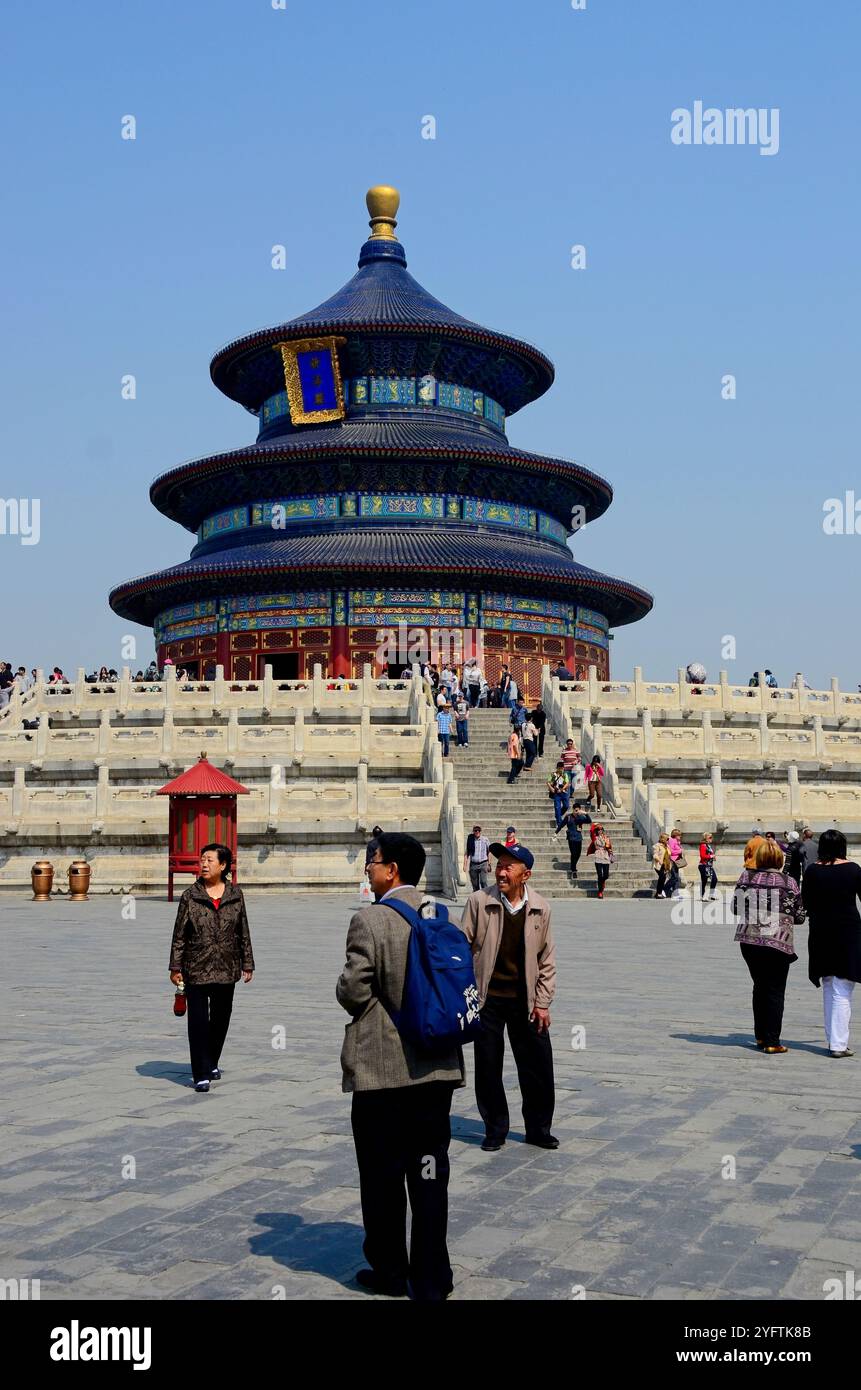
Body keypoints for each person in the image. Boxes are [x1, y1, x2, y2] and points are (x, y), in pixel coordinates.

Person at [336, 832, 464, 1300]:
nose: (368, 869)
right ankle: (433, 1278)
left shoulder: (369, 920)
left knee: (383, 1177)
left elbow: (352, 991)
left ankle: (391, 1271)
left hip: (382, 1072)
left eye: (373, 862)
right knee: (430, 1175)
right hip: (436, 1070)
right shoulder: (439, 915)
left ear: (392, 870)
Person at [459, 842, 557, 1152]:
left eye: (508, 866)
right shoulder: (479, 902)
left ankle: (538, 1129)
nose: (501, 871)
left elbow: (547, 959)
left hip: (524, 998)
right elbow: (463, 947)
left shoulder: (540, 907)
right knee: (488, 1066)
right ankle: (495, 1128)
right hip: (488, 998)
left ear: (525, 875)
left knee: (538, 1066)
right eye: (499, 865)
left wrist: (542, 1003)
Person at [168, 844, 254, 1092]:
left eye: (210, 860)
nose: (204, 864)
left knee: (220, 1019)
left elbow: (243, 932)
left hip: (227, 966)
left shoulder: (235, 895)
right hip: (196, 966)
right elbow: (179, 935)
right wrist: (175, 966)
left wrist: (247, 962)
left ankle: (211, 1059)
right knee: (198, 1021)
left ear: (223, 865)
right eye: (202, 860)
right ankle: (200, 1073)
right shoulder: (190, 896)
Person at [732, 839, 803, 1053]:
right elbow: (799, 916)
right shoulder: (789, 882)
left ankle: (761, 1037)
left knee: (759, 986)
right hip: (778, 942)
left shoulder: (746, 877)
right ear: (780, 859)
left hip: (750, 940)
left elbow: (736, 908)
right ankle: (772, 1041)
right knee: (775, 990)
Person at [802, 829, 861, 1059]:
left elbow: (806, 901)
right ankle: (838, 1043)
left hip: (820, 928)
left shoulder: (813, 870)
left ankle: (833, 1039)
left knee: (828, 983)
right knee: (843, 986)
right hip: (847, 928)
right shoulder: (853, 869)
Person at [557, 802, 592, 881]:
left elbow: (589, 820)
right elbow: (561, 824)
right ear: (573, 809)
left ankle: (573, 866)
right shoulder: (568, 817)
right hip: (571, 838)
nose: (576, 811)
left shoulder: (581, 817)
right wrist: (556, 832)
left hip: (579, 838)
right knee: (573, 853)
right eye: (575, 810)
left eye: (577, 810)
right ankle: (574, 870)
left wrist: (585, 813)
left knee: (578, 854)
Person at [463, 824, 492, 892]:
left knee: (483, 882)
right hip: (473, 864)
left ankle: (485, 897)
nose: (477, 832)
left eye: (478, 830)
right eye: (475, 830)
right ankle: (477, 898)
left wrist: (489, 864)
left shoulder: (485, 840)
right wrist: (465, 865)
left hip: (483, 863)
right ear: (473, 831)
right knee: (475, 885)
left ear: (481, 831)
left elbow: (489, 852)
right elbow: (466, 853)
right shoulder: (470, 840)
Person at [588, 824, 613, 898]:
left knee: (606, 875)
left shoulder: (606, 838)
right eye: (598, 830)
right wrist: (594, 825)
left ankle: (602, 882)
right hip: (598, 856)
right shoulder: (594, 838)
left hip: (605, 856)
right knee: (599, 875)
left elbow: (610, 847)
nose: (600, 831)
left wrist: (611, 854)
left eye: (601, 830)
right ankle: (600, 892)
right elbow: (591, 831)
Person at [547, 762, 570, 831]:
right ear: (557, 768)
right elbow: (548, 782)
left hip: (564, 793)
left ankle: (558, 815)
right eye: (560, 768)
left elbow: (567, 783)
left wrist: (562, 789)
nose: (561, 770)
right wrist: (551, 788)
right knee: (557, 807)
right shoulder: (553, 775)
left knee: (566, 806)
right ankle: (559, 823)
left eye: (562, 768)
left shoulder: (564, 774)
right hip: (556, 793)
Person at [653, 832, 672, 898]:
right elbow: (655, 855)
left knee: (663, 878)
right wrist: (659, 860)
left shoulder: (667, 846)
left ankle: (658, 893)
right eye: (667, 839)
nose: (668, 840)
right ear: (663, 839)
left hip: (666, 865)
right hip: (659, 865)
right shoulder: (657, 845)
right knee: (662, 877)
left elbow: (669, 854)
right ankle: (659, 893)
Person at [699, 833, 718, 899]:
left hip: (709, 866)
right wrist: (711, 856)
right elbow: (702, 856)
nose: (711, 839)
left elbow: (711, 854)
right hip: (703, 865)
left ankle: (711, 895)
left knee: (714, 879)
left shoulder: (708, 846)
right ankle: (702, 896)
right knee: (704, 880)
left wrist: (713, 857)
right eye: (710, 837)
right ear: (705, 838)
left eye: (711, 837)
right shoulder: (703, 845)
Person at [666, 828, 684, 898]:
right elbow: (671, 851)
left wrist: (679, 844)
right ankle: (664, 888)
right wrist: (680, 851)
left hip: (677, 861)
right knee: (674, 877)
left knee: (676, 877)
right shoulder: (671, 840)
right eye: (679, 835)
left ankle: (675, 893)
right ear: (675, 835)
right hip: (672, 860)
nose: (680, 836)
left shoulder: (676, 841)